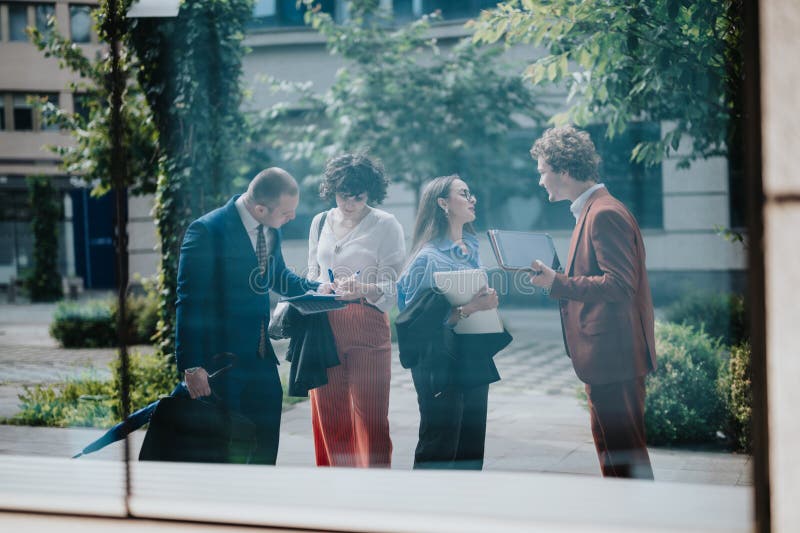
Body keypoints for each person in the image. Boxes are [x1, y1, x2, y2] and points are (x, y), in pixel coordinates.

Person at [528, 126, 657, 479]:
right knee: (616, 460)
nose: (540, 182)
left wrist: (559, 282)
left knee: (627, 461)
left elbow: (620, 285)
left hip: (614, 359)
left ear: (564, 171)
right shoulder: (594, 210)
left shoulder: (603, 213)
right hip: (607, 359)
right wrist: (557, 280)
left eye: (542, 172)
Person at [175, 167, 320, 465]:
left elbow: (280, 278)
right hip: (220, 367)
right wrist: (192, 366)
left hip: (262, 361)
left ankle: (261, 504)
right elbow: (189, 302)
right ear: (260, 208)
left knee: (265, 449)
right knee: (226, 455)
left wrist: (323, 289)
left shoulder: (271, 229)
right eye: (287, 212)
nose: (291, 218)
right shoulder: (206, 231)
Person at [396, 175, 503, 470]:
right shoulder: (426, 259)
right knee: (440, 447)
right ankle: (428, 512)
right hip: (438, 364)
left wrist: (487, 303)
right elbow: (414, 324)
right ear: (442, 203)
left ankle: (463, 512)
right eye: (464, 193)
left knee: (470, 449)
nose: (473, 199)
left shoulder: (471, 246)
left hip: (472, 357)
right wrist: (469, 308)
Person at [306, 153, 406, 467]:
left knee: (372, 418)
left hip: (367, 320)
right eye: (342, 195)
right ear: (331, 190)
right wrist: (320, 286)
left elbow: (393, 283)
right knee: (330, 414)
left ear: (370, 193)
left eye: (358, 197)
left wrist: (361, 288)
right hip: (323, 323)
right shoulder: (320, 221)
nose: (349, 203)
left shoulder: (386, 224)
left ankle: (375, 490)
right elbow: (312, 271)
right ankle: (337, 490)